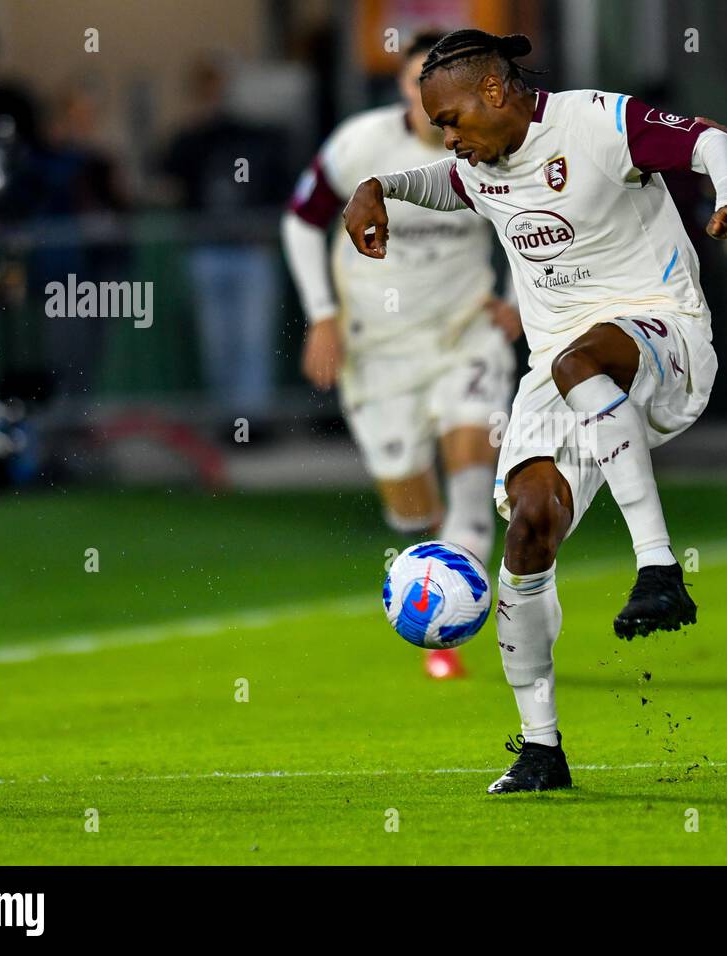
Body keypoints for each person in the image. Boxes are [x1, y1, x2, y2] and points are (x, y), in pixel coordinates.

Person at [342, 29, 727, 792]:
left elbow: (716, 145)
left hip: (664, 335)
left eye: (452, 118)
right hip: (559, 375)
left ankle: (658, 566)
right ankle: (541, 751)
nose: (449, 136)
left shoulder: (597, 123)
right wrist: (379, 188)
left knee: (580, 357)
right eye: (441, 128)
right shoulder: (483, 162)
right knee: (529, 526)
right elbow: (447, 182)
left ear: (495, 91)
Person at [281, 31, 521, 680]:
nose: (432, 99)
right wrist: (322, 317)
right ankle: (437, 584)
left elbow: (532, 219)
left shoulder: (487, 145)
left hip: (463, 335)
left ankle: (450, 631)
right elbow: (302, 222)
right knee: (410, 502)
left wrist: (514, 298)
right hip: (377, 351)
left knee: (472, 484)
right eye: (421, 84)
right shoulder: (359, 145)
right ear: (402, 88)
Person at [161, 56, 288, 425]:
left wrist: (266, 229)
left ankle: (253, 420)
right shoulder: (188, 138)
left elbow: (280, 184)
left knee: (252, 339)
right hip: (207, 250)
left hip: (250, 249)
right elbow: (168, 184)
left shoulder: (255, 134)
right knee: (217, 342)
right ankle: (228, 419)